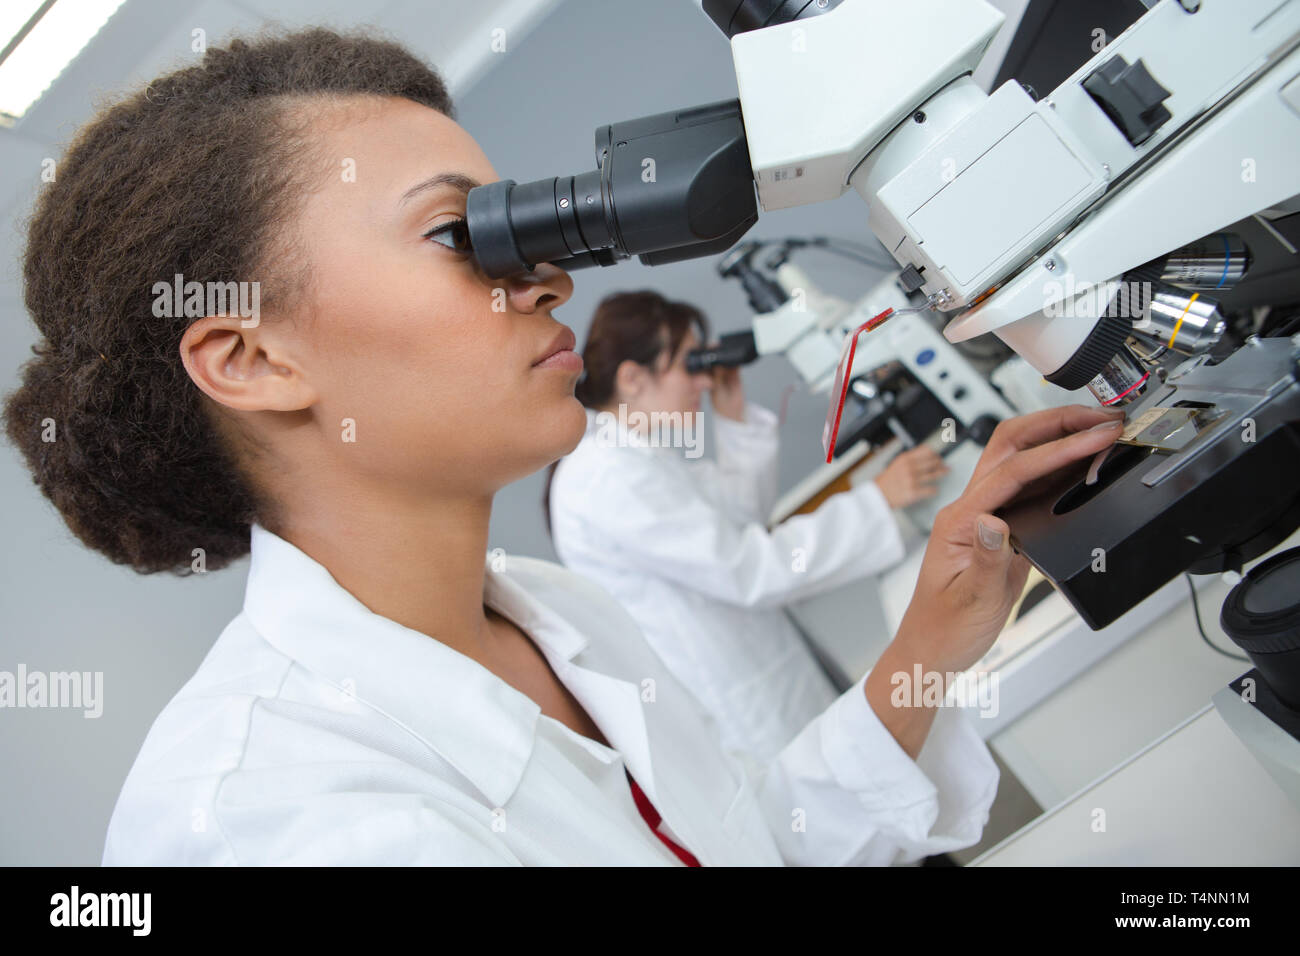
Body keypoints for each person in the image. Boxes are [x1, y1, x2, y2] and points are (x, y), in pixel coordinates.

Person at [2, 27, 1127, 866]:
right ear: (251, 359)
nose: (548, 274)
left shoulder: (552, 613)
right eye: (458, 232)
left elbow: (764, 844)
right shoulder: (267, 816)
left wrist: (939, 619)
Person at [546, 290, 949, 763]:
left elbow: (736, 526)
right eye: (688, 363)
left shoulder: (637, 457)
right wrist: (877, 502)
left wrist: (734, 420)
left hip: (764, 676)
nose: (701, 380)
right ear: (633, 378)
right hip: (746, 713)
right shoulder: (607, 474)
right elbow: (748, 569)